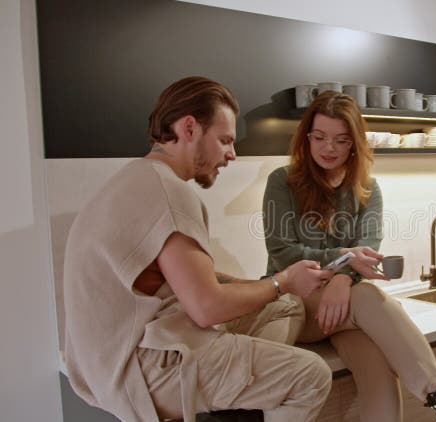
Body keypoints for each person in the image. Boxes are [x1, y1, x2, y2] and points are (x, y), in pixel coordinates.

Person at [63, 76, 333, 422]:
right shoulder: (170, 192)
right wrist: (282, 281)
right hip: (139, 370)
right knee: (310, 375)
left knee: (286, 307)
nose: (231, 154)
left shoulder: (137, 178)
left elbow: (181, 280)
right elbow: (207, 308)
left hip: (103, 362)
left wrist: (272, 288)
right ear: (189, 128)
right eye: (224, 140)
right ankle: (249, 399)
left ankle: (246, 400)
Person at [262, 91, 436, 422]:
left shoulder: (367, 188)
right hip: (294, 303)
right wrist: (343, 261)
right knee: (366, 293)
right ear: (307, 137)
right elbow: (283, 254)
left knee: (378, 369)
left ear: (354, 143)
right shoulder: (282, 181)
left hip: (342, 307)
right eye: (319, 137)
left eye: (340, 140)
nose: (328, 148)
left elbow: (367, 249)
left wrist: (341, 277)